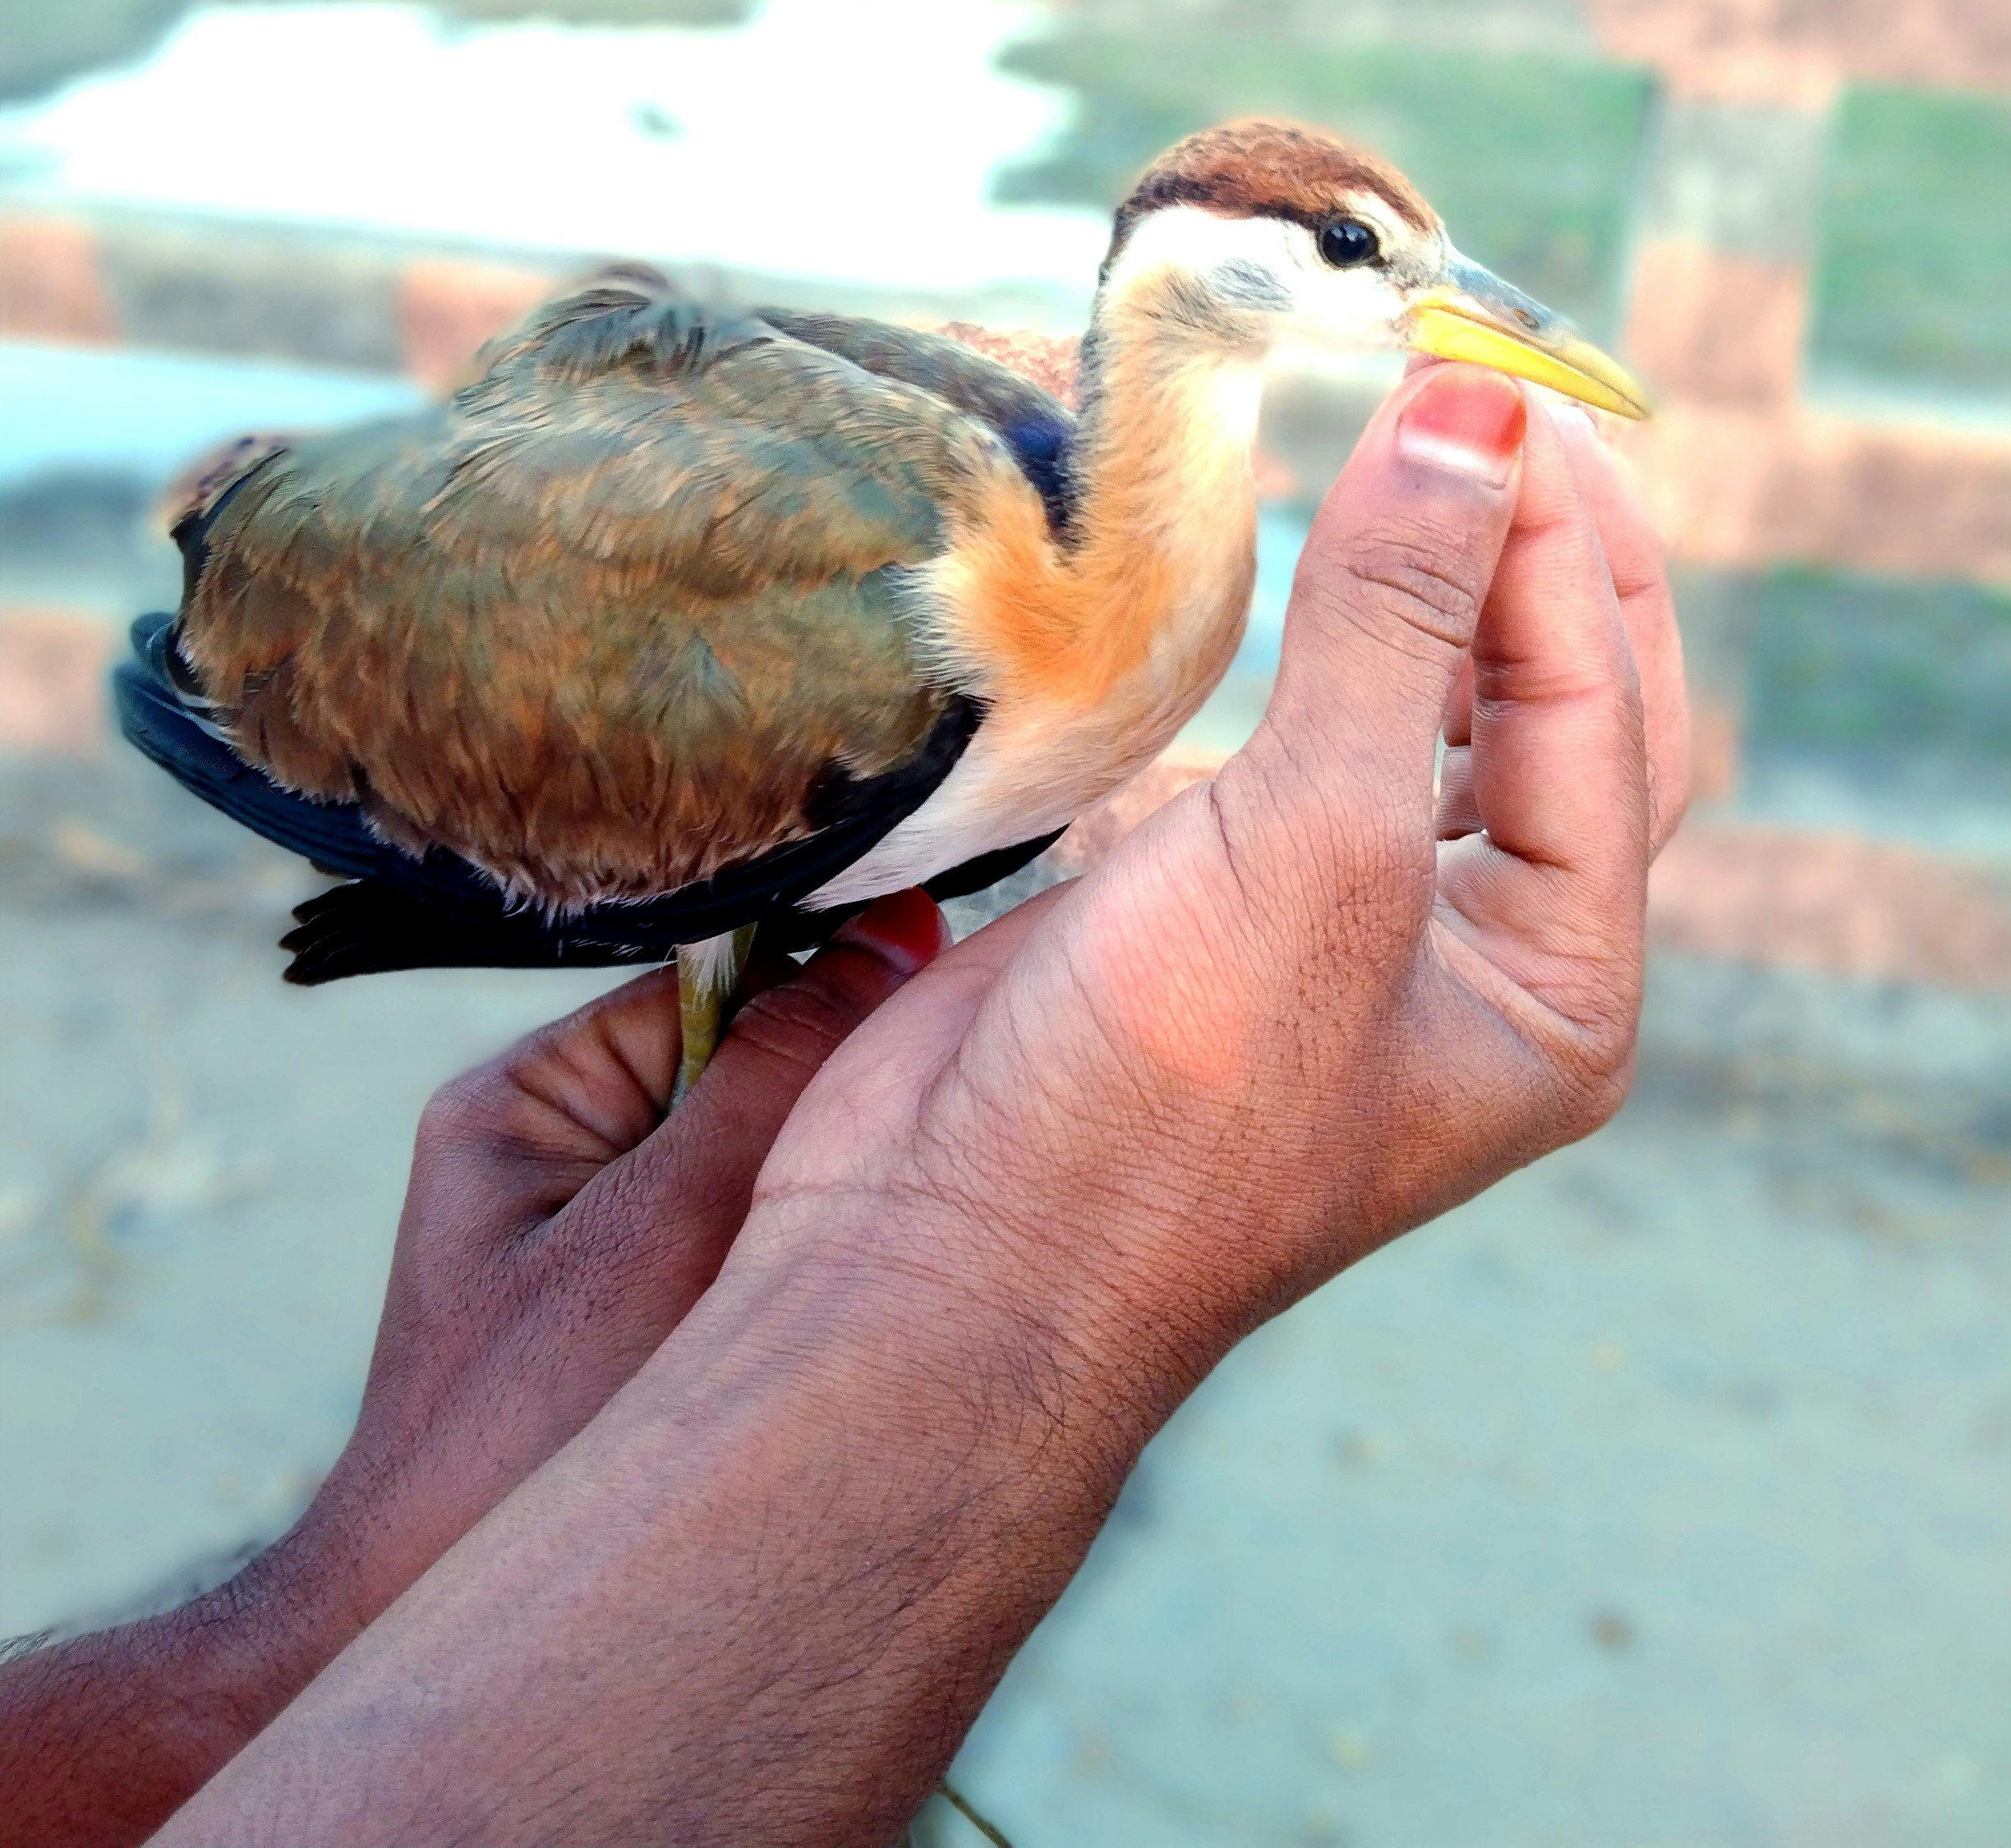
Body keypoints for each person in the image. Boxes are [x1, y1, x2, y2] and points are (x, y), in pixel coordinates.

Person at [0, 363, 1685, 1847]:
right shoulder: (884, 633)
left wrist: (315, 1629)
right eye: (1352, 259)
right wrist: (965, 1322)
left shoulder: (1017, 600)